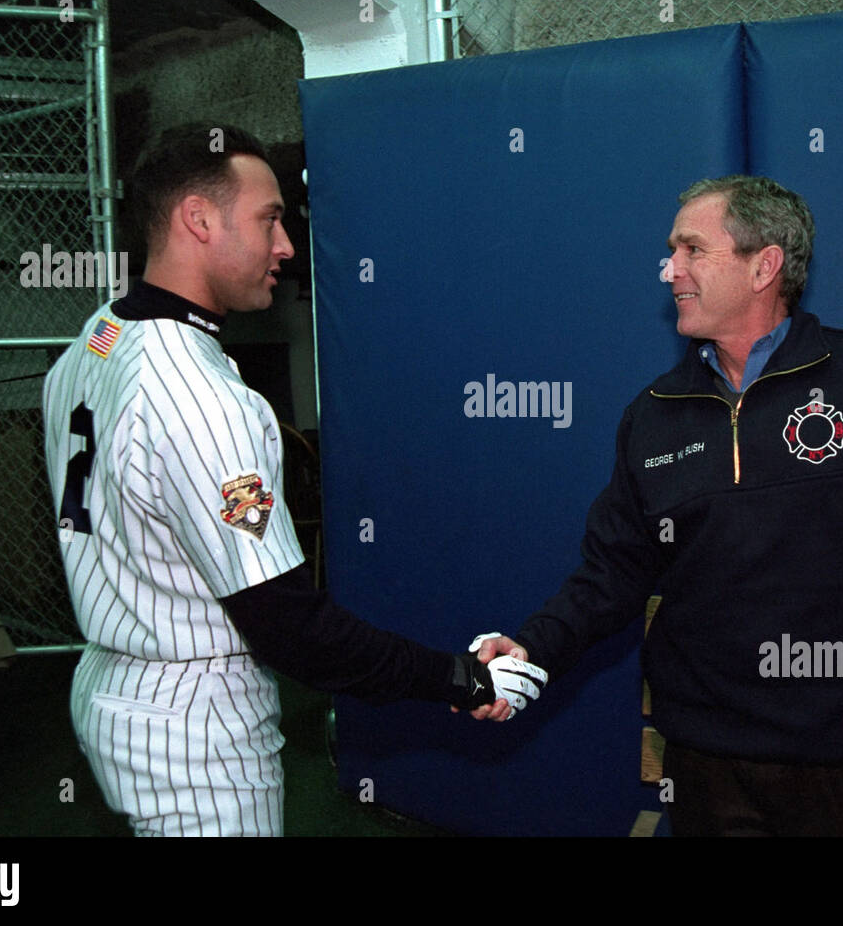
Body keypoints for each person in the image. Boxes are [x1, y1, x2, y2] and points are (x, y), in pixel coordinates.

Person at [469, 175, 843, 837]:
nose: (670, 269)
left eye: (693, 250)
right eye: (673, 252)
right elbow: (611, 573)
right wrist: (530, 650)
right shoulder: (655, 414)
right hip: (706, 763)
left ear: (765, 265)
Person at [43, 123, 545, 836]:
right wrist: (459, 679)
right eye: (270, 219)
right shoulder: (204, 400)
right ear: (199, 219)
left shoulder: (96, 339)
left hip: (111, 682)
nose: (285, 245)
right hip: (193, 720)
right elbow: (292, 627)